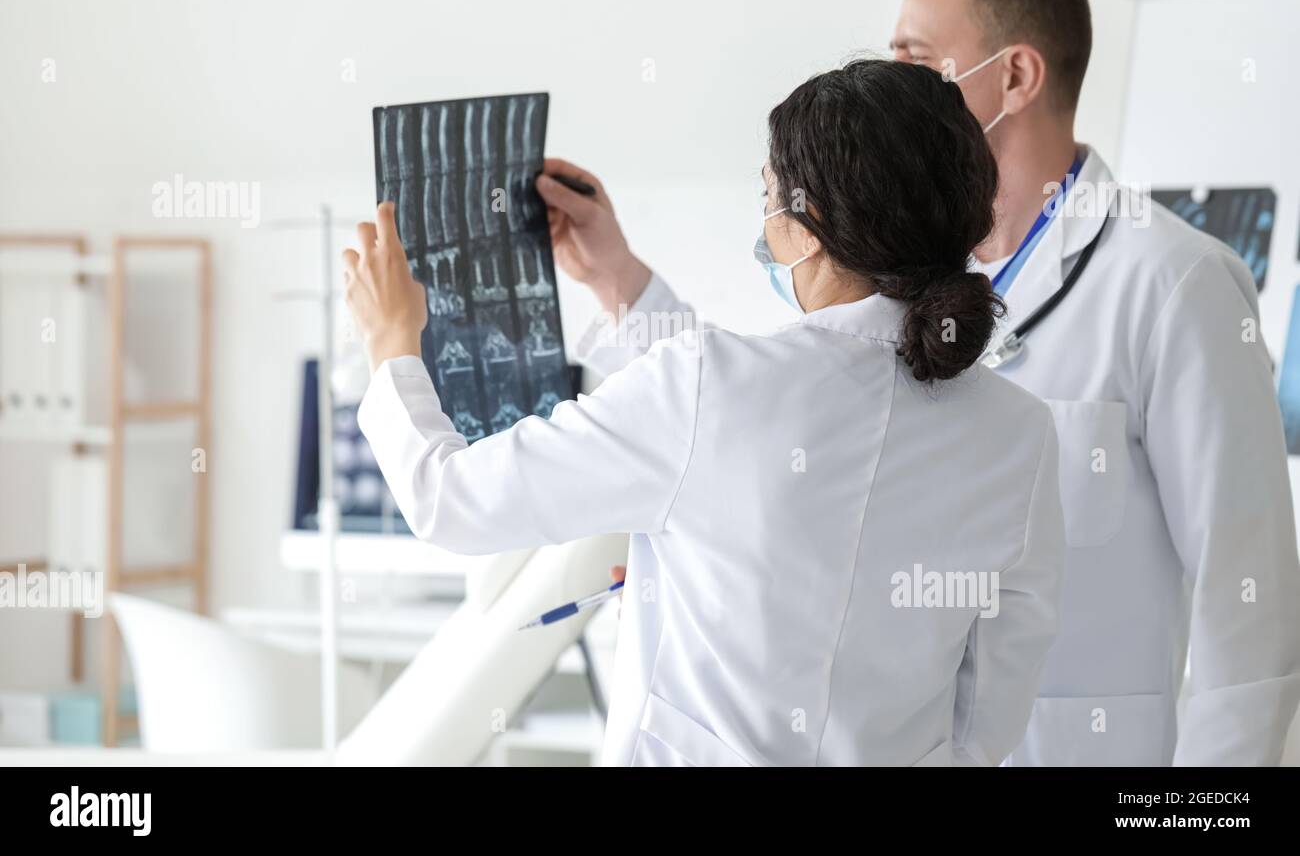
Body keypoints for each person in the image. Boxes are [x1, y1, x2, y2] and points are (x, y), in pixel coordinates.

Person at [539, 0, 1300, 766]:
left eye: (916, 55)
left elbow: (1250, 605)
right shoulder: (889, 264)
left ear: (1014, 77)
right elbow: (751, 413)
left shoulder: (1171, 284)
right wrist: (618, 278)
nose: (893, 76)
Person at [344, 59, 1065, 766]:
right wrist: (616, 276)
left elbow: (451, 500)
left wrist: (391, 344)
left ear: (808, 223)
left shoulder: (708, 387)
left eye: (768, 197)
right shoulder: (1019, 435)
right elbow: (987, 719)